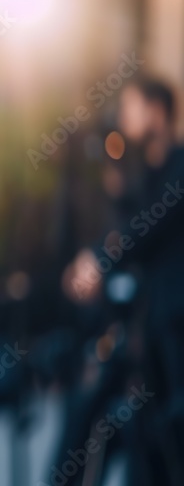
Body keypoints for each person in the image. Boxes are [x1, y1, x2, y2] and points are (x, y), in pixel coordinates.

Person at [64, 76, 184, 484]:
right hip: (146, 323)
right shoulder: (141, 171)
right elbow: (124, 229)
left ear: (157, 111)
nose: (124, 116)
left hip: (174, 323)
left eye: (132, 106)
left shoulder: (178, 167)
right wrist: (92, 258)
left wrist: (97, 262)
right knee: (136, 429)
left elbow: (144, 231)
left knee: (170, 425)